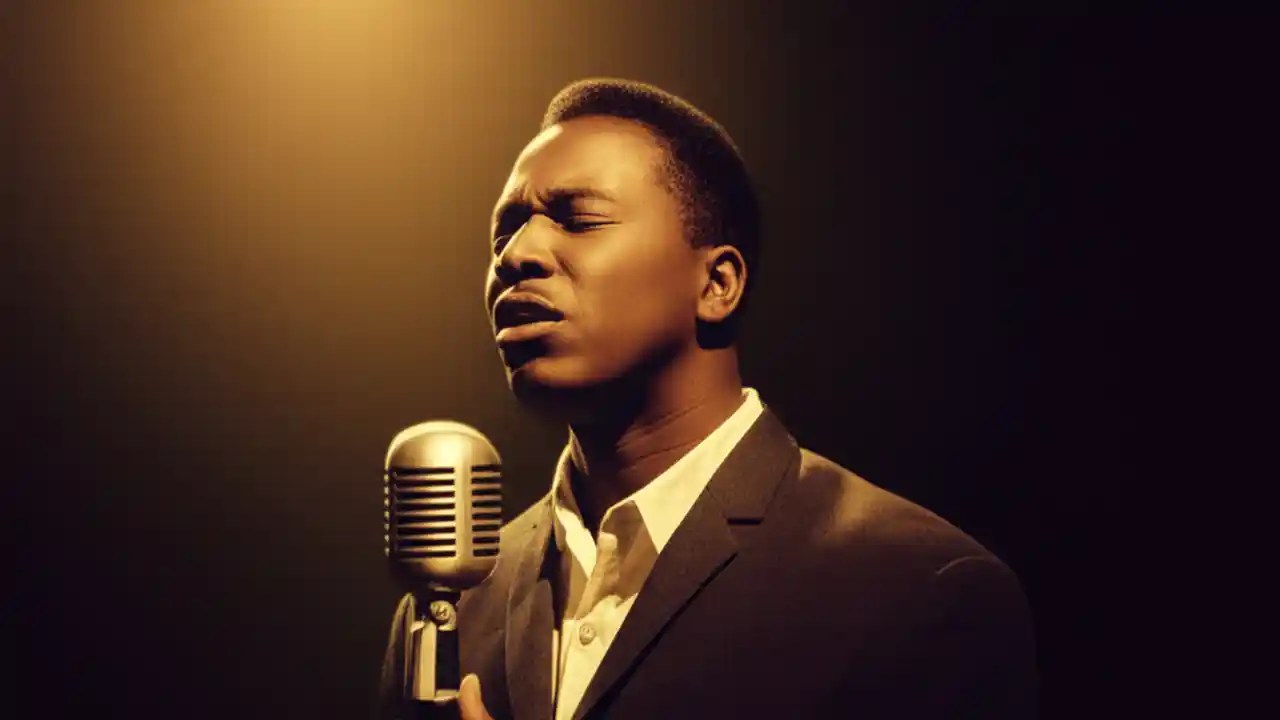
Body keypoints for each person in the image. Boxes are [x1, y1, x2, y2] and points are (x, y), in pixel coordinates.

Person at [377, 78, 1037, 720]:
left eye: (578, 219)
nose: (517, 255)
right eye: (504, 232)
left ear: (718, 283)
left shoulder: (919, 590)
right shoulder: (454, 606)